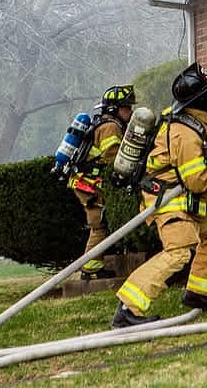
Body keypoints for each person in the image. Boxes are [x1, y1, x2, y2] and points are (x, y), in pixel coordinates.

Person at [112, 62, 207, 328]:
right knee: (178, 252)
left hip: (185, 194)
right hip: (167, 198)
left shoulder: (197, 119)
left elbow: (206, 138)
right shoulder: (184, 132)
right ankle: (128, 309)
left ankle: (200, 293)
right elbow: (198, 180)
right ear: (202, 99)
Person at [70, 84, 135, 281]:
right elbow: (113, 157)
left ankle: (94, 264)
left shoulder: (105, 123)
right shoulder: (110, 127)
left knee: (102, 223)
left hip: (87, 182)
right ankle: (90, 269)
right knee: (99, 224)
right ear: (115, 109)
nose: (130, 111)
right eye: (126, 107)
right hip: (88, 183)